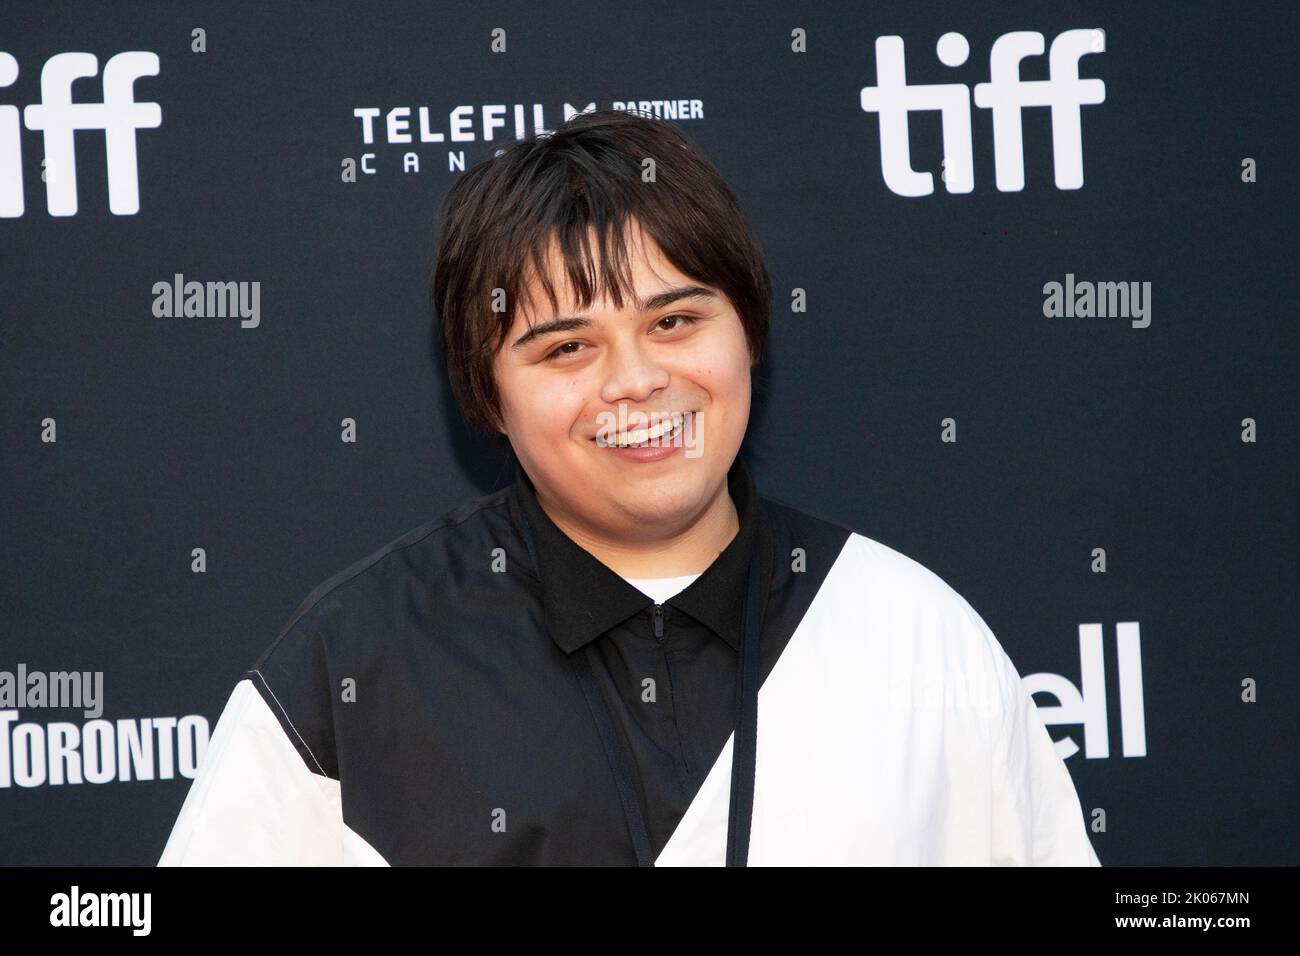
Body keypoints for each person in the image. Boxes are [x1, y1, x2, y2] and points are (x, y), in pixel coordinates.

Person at [158, 109, 1101, 866]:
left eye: (677, 320)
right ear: (485, 391)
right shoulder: (352, 674)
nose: (636, 382)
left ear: (751, 332)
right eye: (567, 347)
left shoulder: (916, 634)